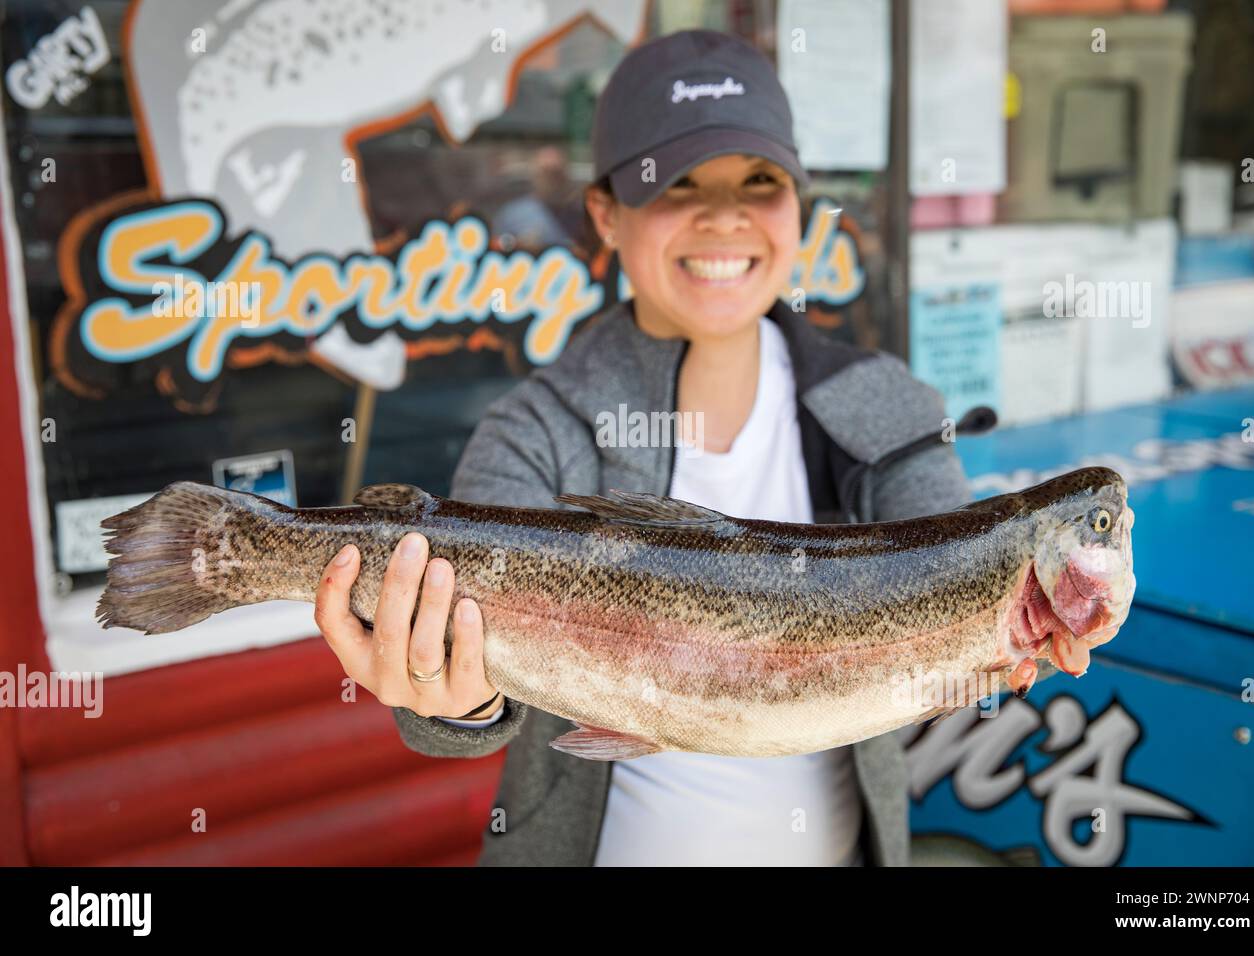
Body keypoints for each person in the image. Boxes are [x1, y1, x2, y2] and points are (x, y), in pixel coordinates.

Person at [313, 29, 976, 866]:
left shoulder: (884, 405)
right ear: (605, 214)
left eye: (760, 181)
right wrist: (453, 699)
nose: (724, 216)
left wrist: (1010, 628)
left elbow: (962, 579)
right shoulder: (539, 427)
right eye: (679, 183)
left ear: (798, 206)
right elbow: (453, 715)